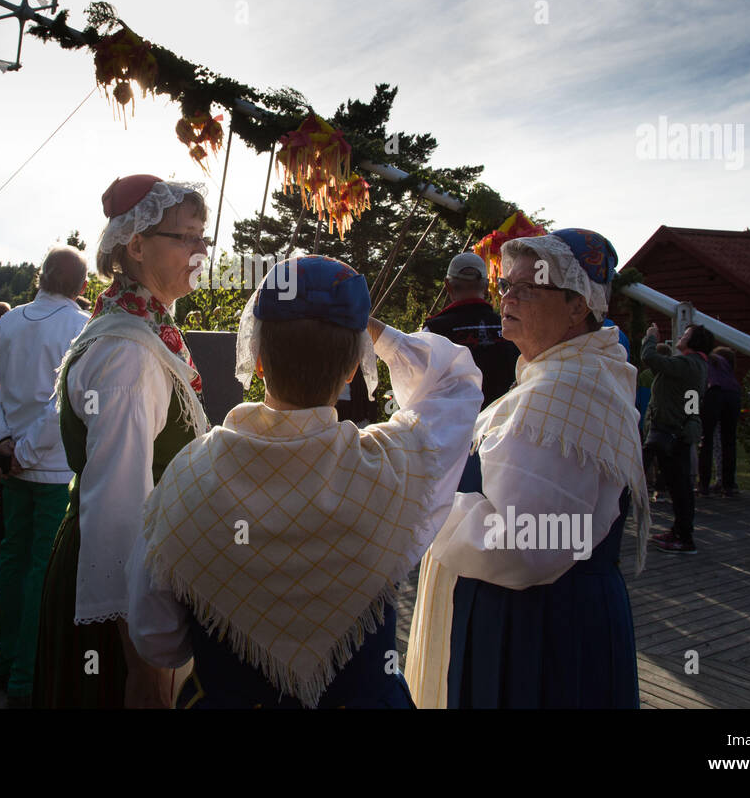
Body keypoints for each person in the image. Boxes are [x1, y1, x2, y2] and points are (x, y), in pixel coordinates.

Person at [126, 255, 483, 708]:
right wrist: (368, 329)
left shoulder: (188, 474)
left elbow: (157, 639)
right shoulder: (394, 467)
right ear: (355, 368)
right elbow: (456, 382)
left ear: (256, 359)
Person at [406, 228, 648, 708]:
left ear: (578, 306)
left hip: (536, 626)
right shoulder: (571, 373)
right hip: (539, 614)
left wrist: (425, 505)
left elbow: (526, 543)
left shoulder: (567, 390)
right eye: (505, 286)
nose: (508, 297)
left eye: (527, 288)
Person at [33, 175, 211, 709]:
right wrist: (142, 653)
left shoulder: (138, 326)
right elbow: (116, 511)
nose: (200, 252)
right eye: (187, 237)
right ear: (136, 246)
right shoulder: (127, 355)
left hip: (144, 581)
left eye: (205, 238)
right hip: (120, 598)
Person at [0, 246, 89, 707]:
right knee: (40, 566)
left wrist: (1, 441)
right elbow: (64, 403)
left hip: (14, 462)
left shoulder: (7, 322)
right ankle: (24, 675)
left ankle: (2, 666)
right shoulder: (80, 328)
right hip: (52, 466)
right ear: (81, 286)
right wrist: (20, 449)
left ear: (40, 277)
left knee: (11, 559)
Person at [423, 251, 519, 494]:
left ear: (447, 286)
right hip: (504, 443)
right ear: (486, 286)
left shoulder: (434, 329)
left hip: (448, 445)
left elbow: (419, 390)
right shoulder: (510, 327)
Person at [642, 321, 712, 554]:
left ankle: (684, 537)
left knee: (679, 487)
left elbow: (651, 359)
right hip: (679, 431)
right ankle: (679, 531)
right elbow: (691, 399)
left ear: (694, 341)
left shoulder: (687, 363)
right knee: (678, 485)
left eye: (686, 334)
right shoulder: (698, 365)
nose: (681, 336)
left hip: (670, 431)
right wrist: (690, 419)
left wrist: (651, 337)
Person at [699, 345, 742, 496]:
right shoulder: (724, 363)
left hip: (714, 392)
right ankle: (728, 485)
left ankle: (703, 484)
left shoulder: (701, 359)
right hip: (733, 394)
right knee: (729, 441)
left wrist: (689, 411)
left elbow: (694, 385)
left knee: (706, 440)